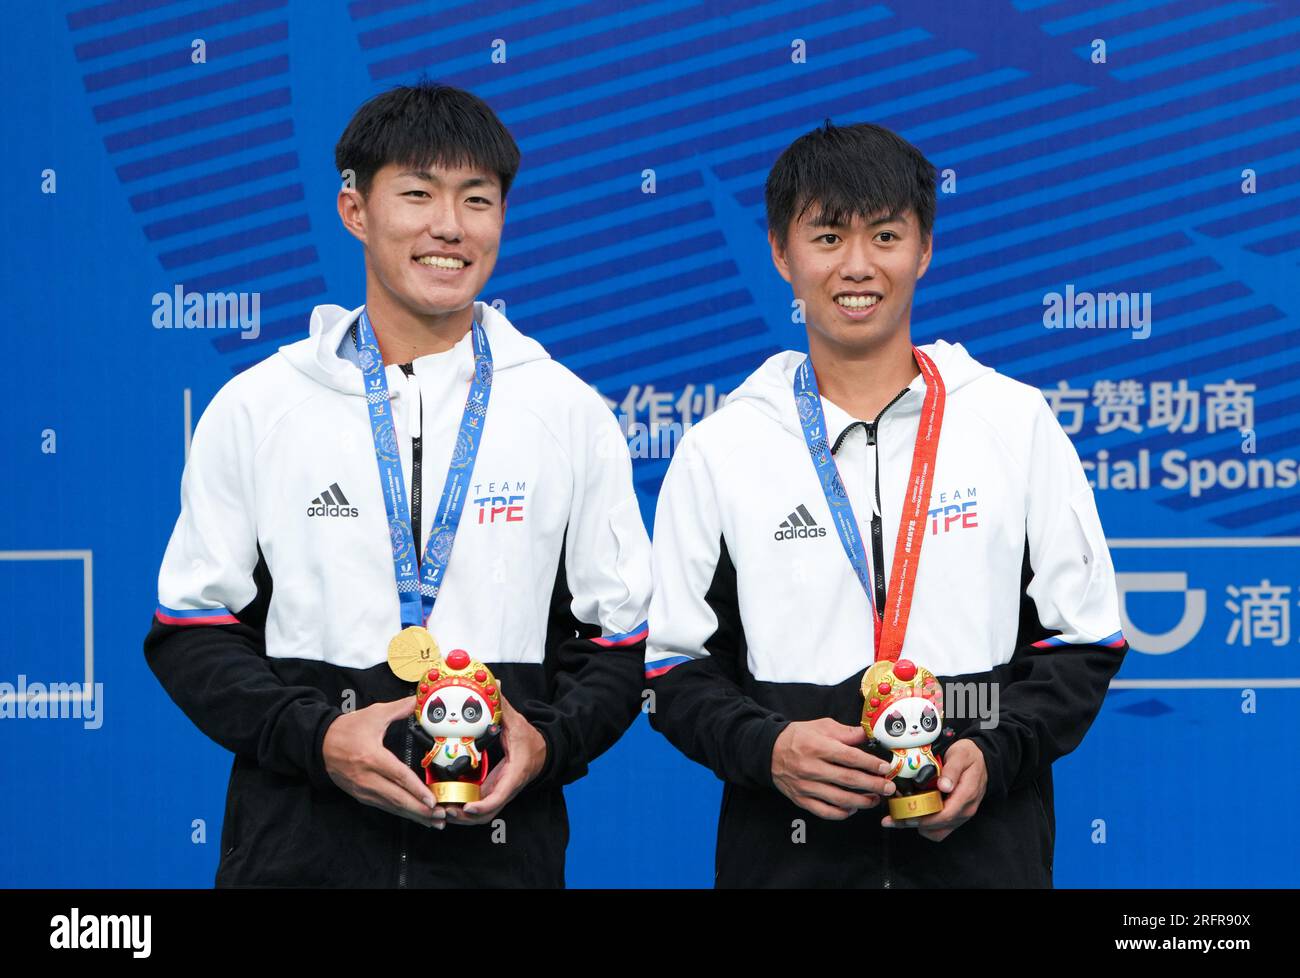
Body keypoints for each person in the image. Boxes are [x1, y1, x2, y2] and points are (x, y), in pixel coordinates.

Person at [144, 82, 651, 888]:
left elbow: (622, 644)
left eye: (476, 199)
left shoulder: (566, 411)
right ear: (355, 209)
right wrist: (316, 739)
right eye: (417, 193)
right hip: (296, 857)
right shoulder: (260, 405)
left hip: (499, 860)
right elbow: (191, 630)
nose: (449, 226)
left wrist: (549, 743)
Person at [644, 120, 1128, 887]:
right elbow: (675, 667)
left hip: (984, 857)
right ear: (781, 253)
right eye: (828, 238)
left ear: (925, 248)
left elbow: (1086, 642)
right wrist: (768, 748)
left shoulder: (1014, 421)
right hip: (787, 862)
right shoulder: (722, 447)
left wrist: (992, 751)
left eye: (886, 236)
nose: (858, 266)